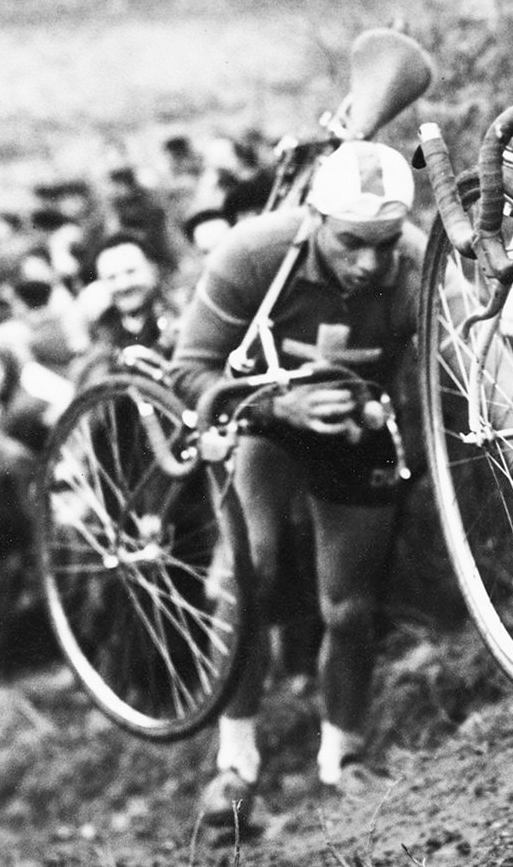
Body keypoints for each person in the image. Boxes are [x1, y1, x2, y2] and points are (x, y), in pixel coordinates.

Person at [171, 141, 424, 832]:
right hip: (265, 419)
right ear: (313, 219)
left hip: (356, 425)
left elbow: (466, 350)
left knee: (348, 607)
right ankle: (236, 764)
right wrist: (274, 407)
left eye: (386, 244)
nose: (371, 263)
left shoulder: (416, 265)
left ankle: (342, 754)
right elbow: (188, 372)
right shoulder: (253, 254)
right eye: (352, 243)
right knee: (248, 574)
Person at [75, 233, 177, 378]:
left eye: (131, 272)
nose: (123, 285)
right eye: (111, 278)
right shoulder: (99, 336)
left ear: (153, 269)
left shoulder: (182, 317)